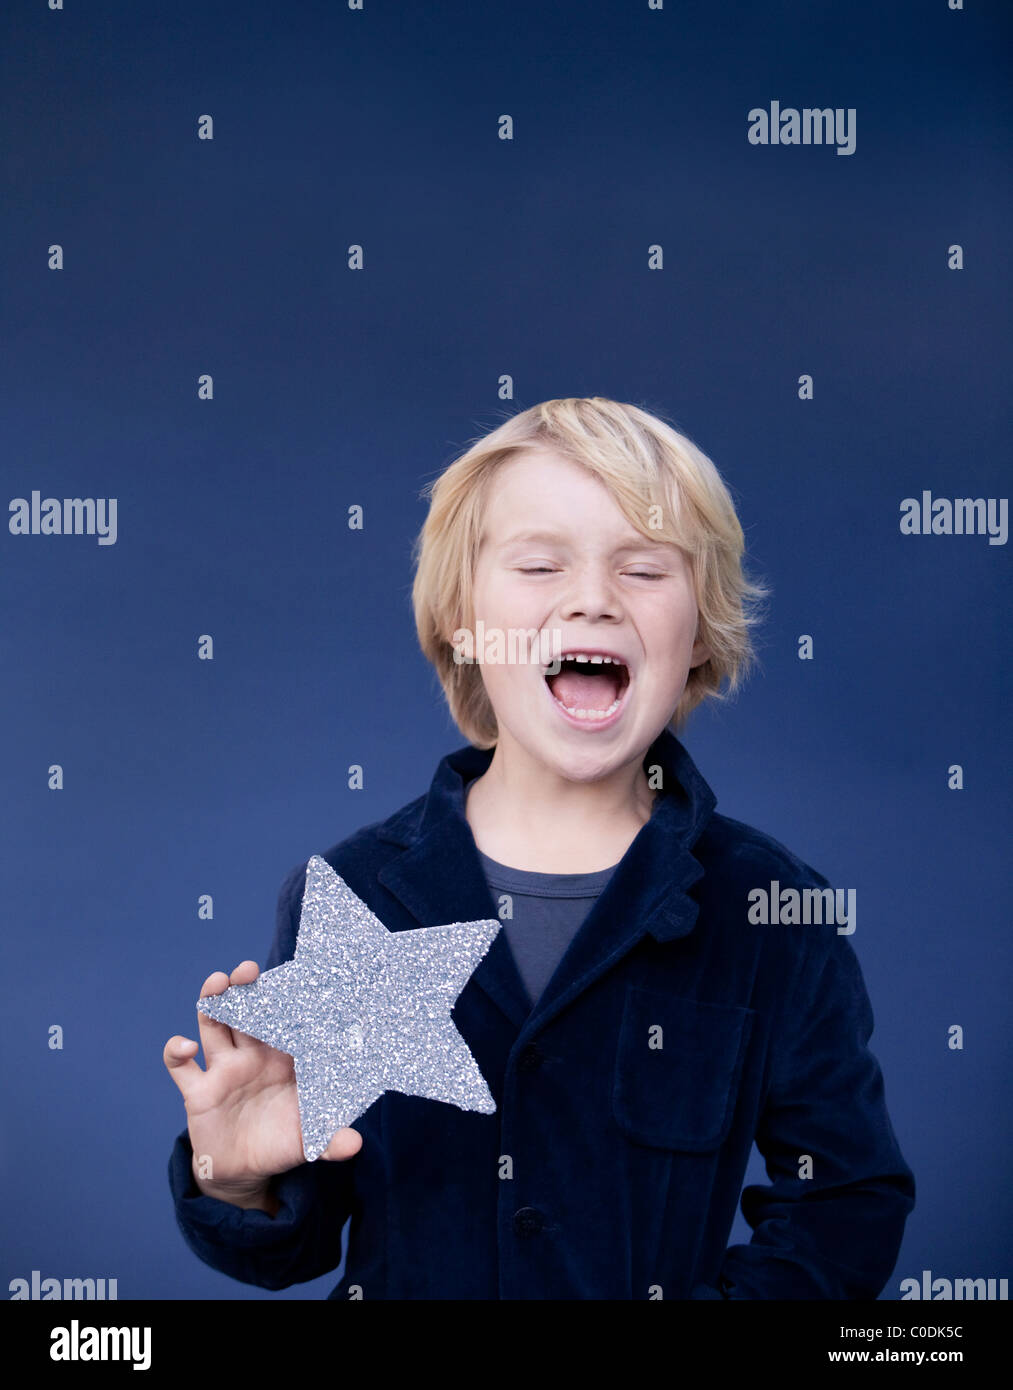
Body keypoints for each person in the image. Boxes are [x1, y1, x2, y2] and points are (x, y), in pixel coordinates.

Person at [164, 396, 915, 1299]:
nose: (592, 599)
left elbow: (844, 1205)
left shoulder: (771, 909)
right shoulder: (352, 892)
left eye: (642, 568)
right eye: (537, 564)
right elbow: (298, 1243)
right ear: (461, 621)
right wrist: (239, 1178)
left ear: (699, 634)